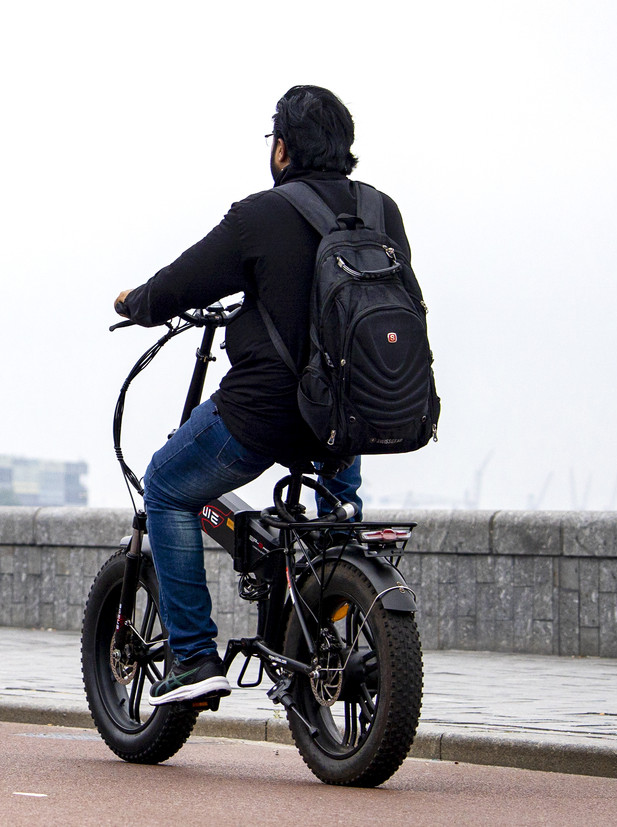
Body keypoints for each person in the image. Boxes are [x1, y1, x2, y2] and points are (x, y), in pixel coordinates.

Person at [113, 85, 410, 705]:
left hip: (265, 414)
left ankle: (193, 659)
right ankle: (319, 636)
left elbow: (180, 283)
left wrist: (135, 303)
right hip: (350, 415)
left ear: (282, 149)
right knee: (331, 531)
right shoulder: (383, 213)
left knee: (166, 484)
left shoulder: (258, 215)